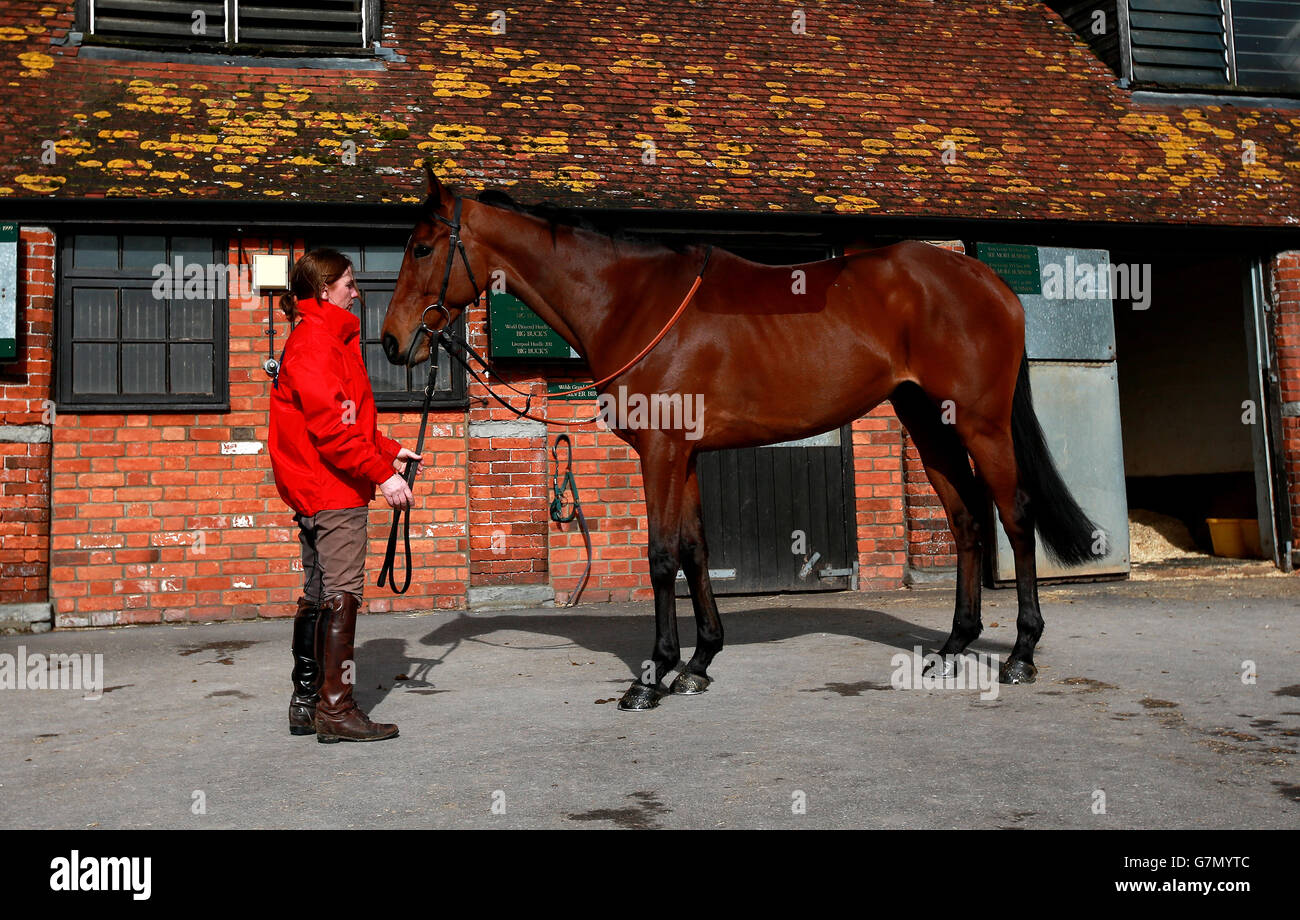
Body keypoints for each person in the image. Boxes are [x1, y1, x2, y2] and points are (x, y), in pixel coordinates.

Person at [268, 248, 423, 743]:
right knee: (341, 597)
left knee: (318, 595)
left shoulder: (323, 339)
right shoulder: (317, 342)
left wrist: (391, 450)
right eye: (349, 284)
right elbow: (334, 431)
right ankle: (336, 709)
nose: (356, 293)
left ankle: (307, 701)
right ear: (323, 290)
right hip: (332, 489)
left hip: (319, 487)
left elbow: (348, 420)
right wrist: (384, 475)